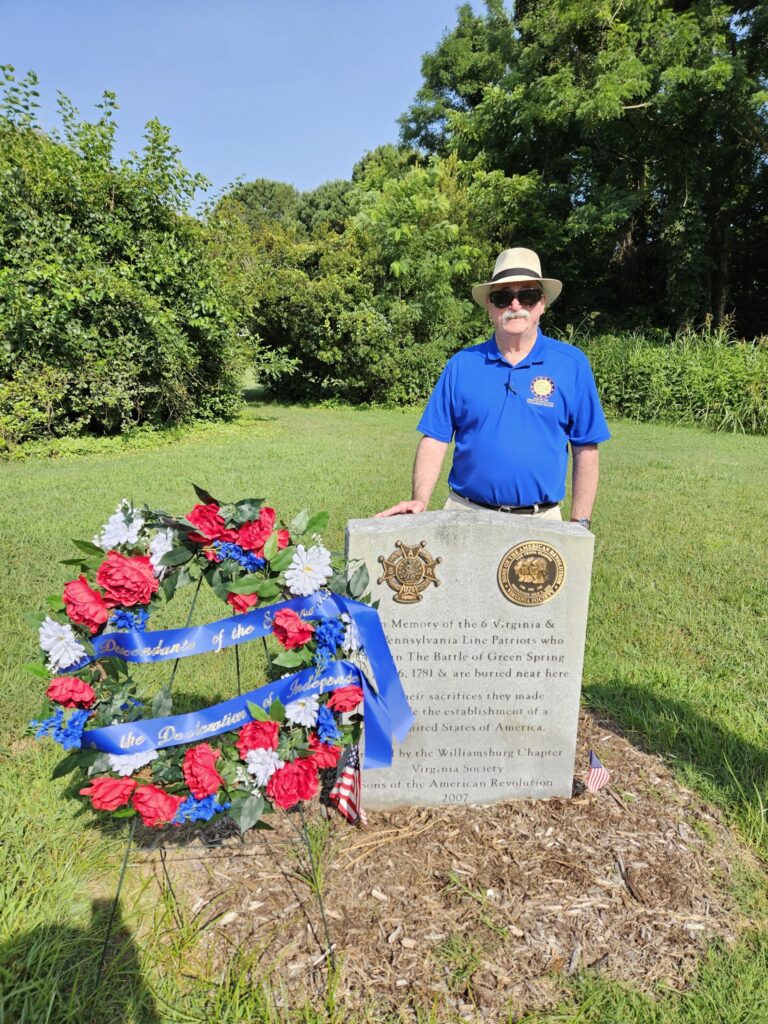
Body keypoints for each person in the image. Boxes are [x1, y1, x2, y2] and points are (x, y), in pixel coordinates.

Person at [376, 247, 610, 527]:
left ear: (542, 304)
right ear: (489, 305)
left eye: (527, 296)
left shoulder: (571, 364)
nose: (515, 305)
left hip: (542, 521)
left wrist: (580, 521)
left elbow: (585, 446)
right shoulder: (461, 365)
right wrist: (420, 499)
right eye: (502, 297)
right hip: (464, 513)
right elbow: (435, 438)